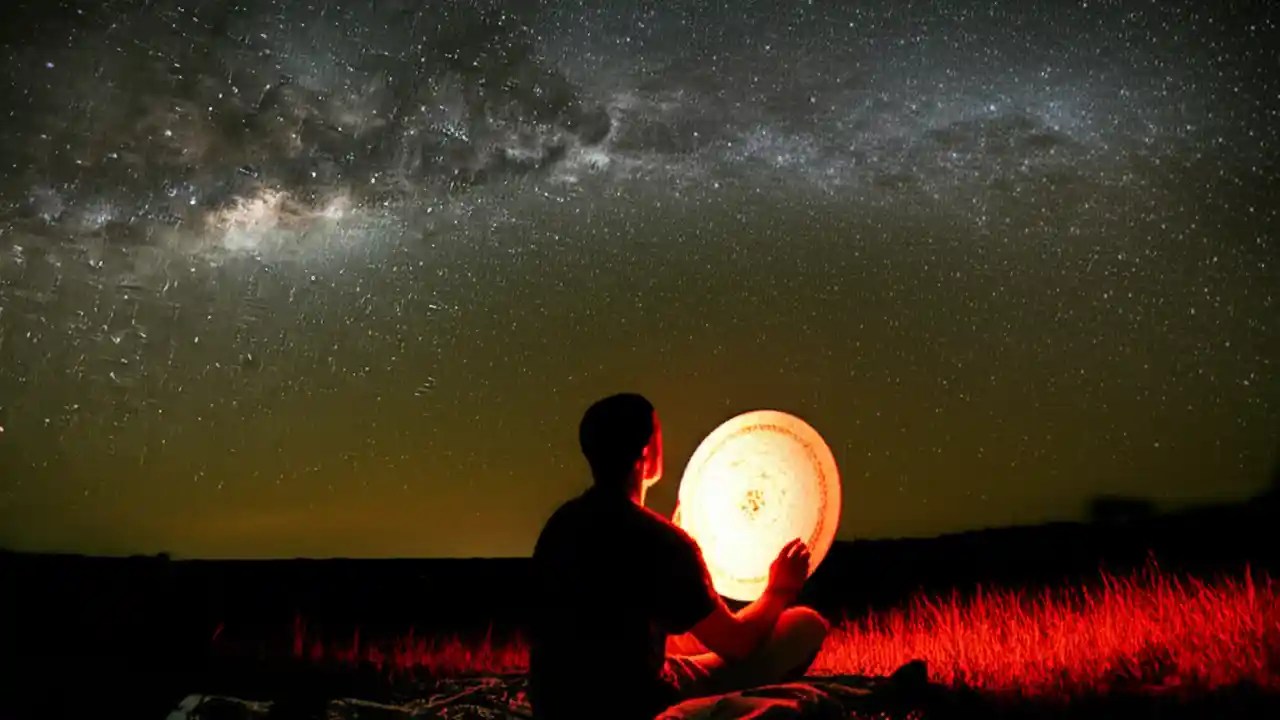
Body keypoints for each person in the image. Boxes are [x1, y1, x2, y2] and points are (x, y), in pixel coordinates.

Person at [529, 393, 830, 720]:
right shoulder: (660, 541)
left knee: (684, 642)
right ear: (647, 451)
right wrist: (778, 590)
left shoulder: (560, 525)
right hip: (634, 702)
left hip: (555, 703)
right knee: (804, 625)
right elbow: (738, 644)